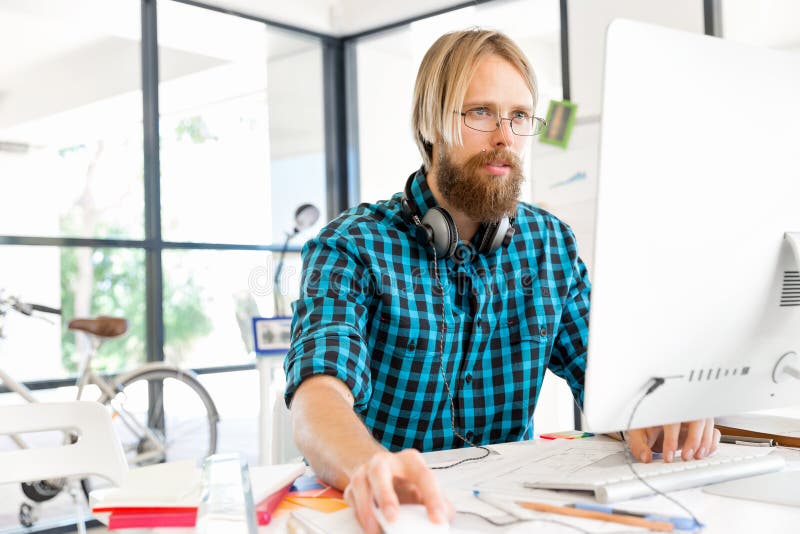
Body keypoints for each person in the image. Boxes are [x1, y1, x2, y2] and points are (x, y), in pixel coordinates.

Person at [283, 29, 720, 534]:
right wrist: (368, 466)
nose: (504, 137)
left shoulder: (549, 244)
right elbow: (317, 397)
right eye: (480, 113)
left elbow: (609, 379)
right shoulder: (351, 246)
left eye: (518, 116)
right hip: (392, 514)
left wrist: (657, 410)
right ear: (429, 125)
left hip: (511, 515)